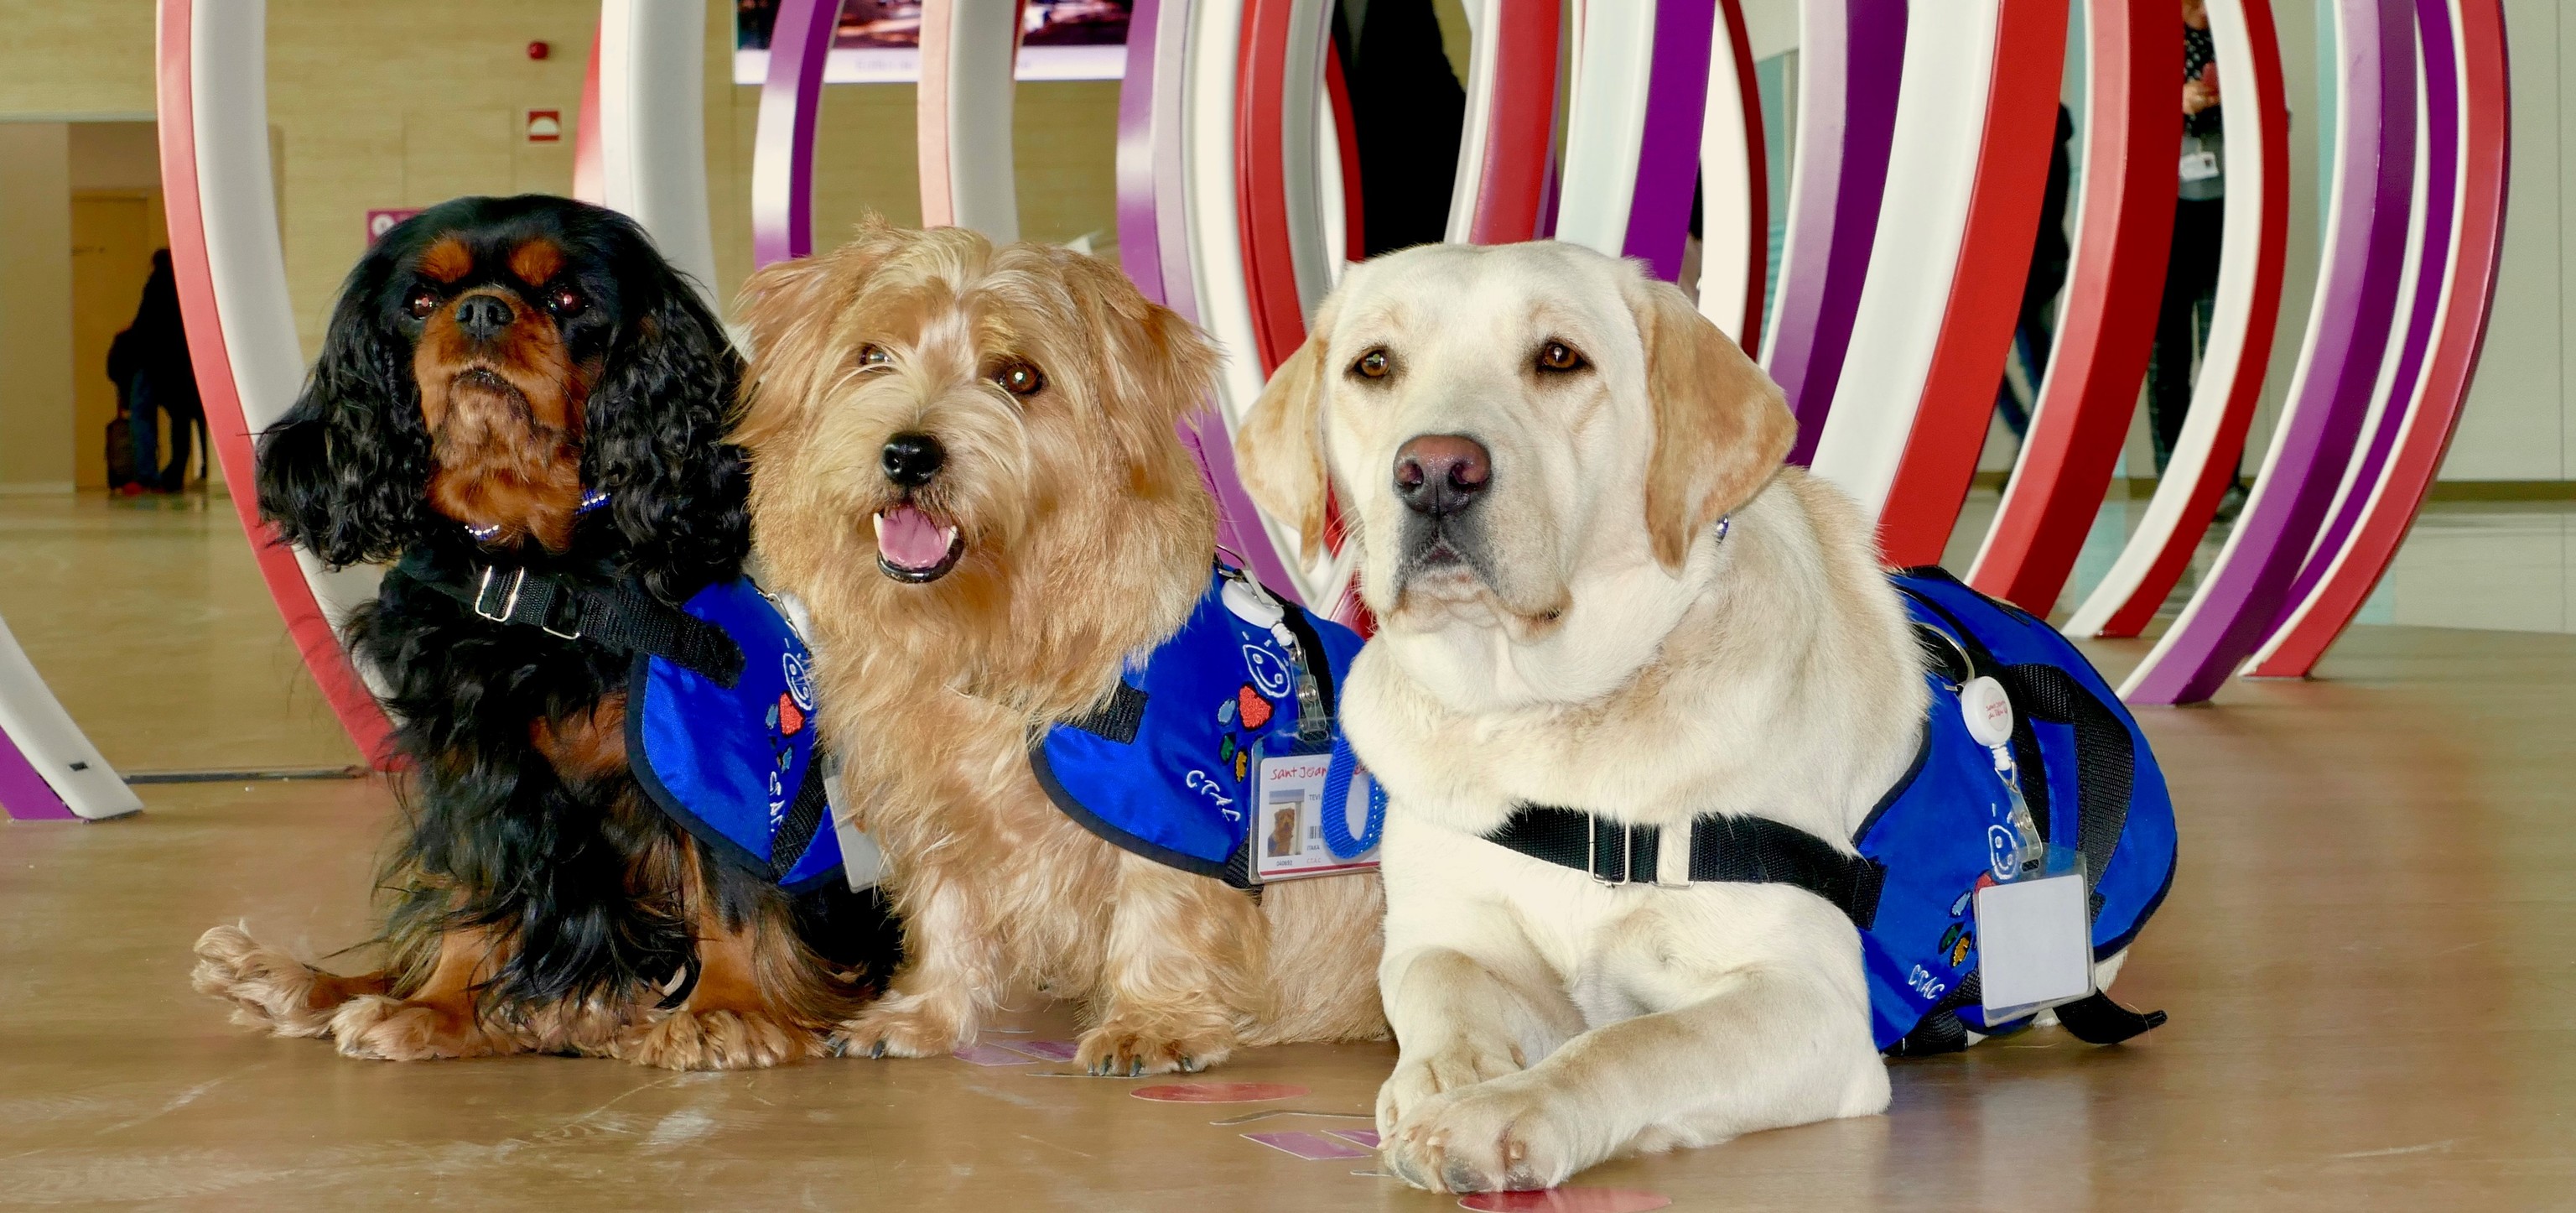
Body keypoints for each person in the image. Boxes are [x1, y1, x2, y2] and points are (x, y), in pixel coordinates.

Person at [2148, 0, 2244, 517]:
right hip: (2164, 219)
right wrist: (2174, 99)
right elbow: (2127, 115)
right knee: (2168, 362)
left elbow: (2278, 116)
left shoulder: (2239, 45)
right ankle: (2173, 483)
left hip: (2227, 215)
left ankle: (2222, 484)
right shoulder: (2157, 44)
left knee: (2223, 358)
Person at [110, 250, 204, 496]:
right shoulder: (185, 284)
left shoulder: (156, 282)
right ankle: (175, 475)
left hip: (151, 362)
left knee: (142, 417)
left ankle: (146, 476)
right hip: (180, 364)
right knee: (180, 418)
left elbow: (145, 323)